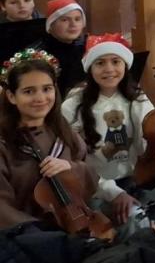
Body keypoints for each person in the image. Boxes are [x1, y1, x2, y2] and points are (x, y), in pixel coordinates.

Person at [62, 35, 155, 240]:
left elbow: (149, 145)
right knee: (134, 217)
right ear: (89, 68)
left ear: (125, 65)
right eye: (100, 63)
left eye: (115, 62)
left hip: (139, 179)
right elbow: (77, 164)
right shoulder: (73, 105)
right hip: (99, 188)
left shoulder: (137, 97)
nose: (109, 69)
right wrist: (115, 194)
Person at [0, 50, 100, 231]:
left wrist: (72, 167)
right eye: (29, 91)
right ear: (11, 96)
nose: (40, 98)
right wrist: (39, 234)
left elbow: (92, 173)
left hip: (75, 222)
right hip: (28, 238)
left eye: (47, 89)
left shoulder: (64, 132)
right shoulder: (3, 143)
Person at [40, 0, 88, 97]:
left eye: (77, 19)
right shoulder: (41, 53)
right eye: (65, 20)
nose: (73, 24)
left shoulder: (88, 46)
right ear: (51, 25)